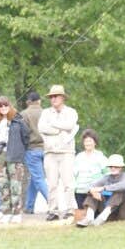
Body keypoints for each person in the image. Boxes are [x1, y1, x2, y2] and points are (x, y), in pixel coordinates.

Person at [38, 84, 78, 221]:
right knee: (52, 183)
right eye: (51, 97)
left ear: (62, 97)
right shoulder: (45, 113)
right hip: (50, 152)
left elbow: (70, 126)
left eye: (56, 96)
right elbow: (41, 128)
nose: (53, 99)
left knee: (68, 183)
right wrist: (58, 129)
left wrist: (53, 124)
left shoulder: (71, 112)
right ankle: (52, 210)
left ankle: (70, 209)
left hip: (66, 152)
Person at [74, 154, 125, 226]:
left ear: (121, 167)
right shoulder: (106, 178)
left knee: (119, 192)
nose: (113, 168)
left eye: (116, 166)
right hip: (109, 213)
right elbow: (90, 186)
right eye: (111, 166)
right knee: (93, 192)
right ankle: (89, 218)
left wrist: (103, 188)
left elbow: (124, 185)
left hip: (124, 212)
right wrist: (92, 191)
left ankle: (102, 217)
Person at [18, 89, 47, 216]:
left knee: (38, 179)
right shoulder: (46, 113)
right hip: (47, 149)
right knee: (35, 179)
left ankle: (53, 204)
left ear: (28, 102)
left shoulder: (23, 114)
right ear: (39, 101)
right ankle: (29, 207)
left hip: (32, 149)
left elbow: (22, 134)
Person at [73, 128, 108, 206]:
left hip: (95, 191)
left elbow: (107, 174)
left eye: (90, 141)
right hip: (80, 191)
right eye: (86, 141)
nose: (88, 143)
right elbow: (73, 175)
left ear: (95, 142)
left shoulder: (100, 156)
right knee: (82, 214)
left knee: (93, 214)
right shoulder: (79, 157)